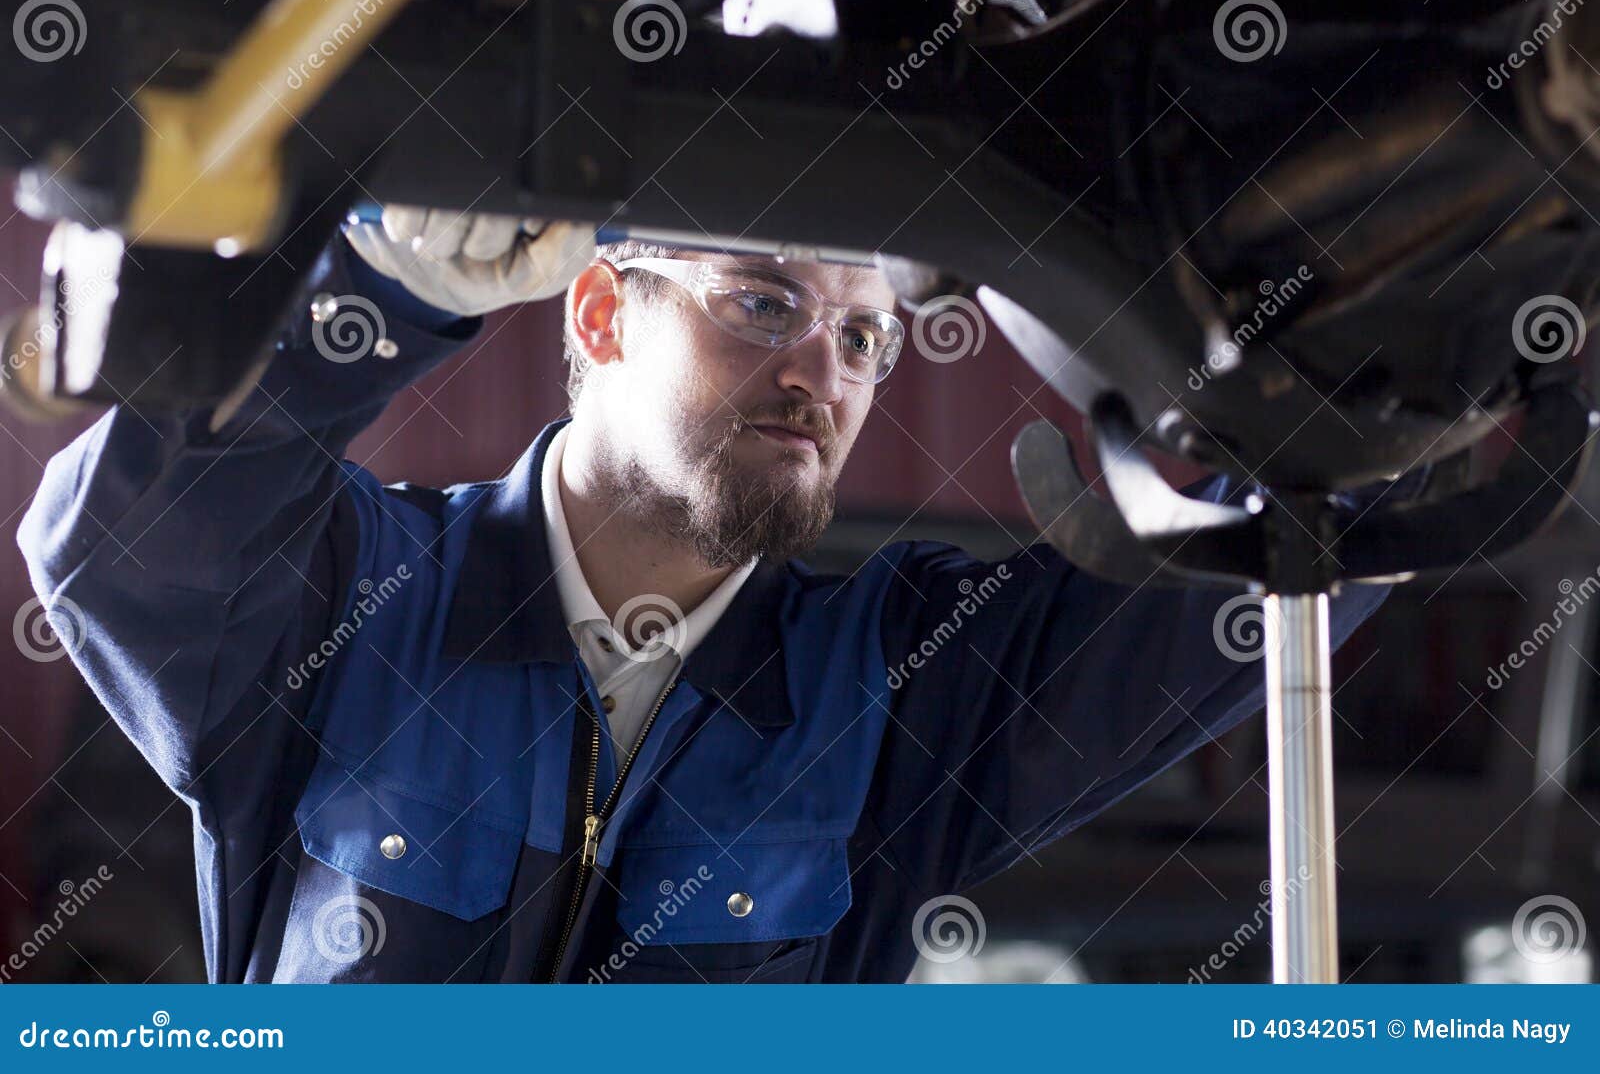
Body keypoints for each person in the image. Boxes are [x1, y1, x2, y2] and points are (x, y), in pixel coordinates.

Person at [18, 208, 1393, 982]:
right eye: (765, 307)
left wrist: (1420, 361)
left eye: (865, 336)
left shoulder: (903, 688)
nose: (828, 377)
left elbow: (1250, 575)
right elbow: (113, 545)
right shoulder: (359, 594)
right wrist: (374, 293)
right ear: (602, 314)